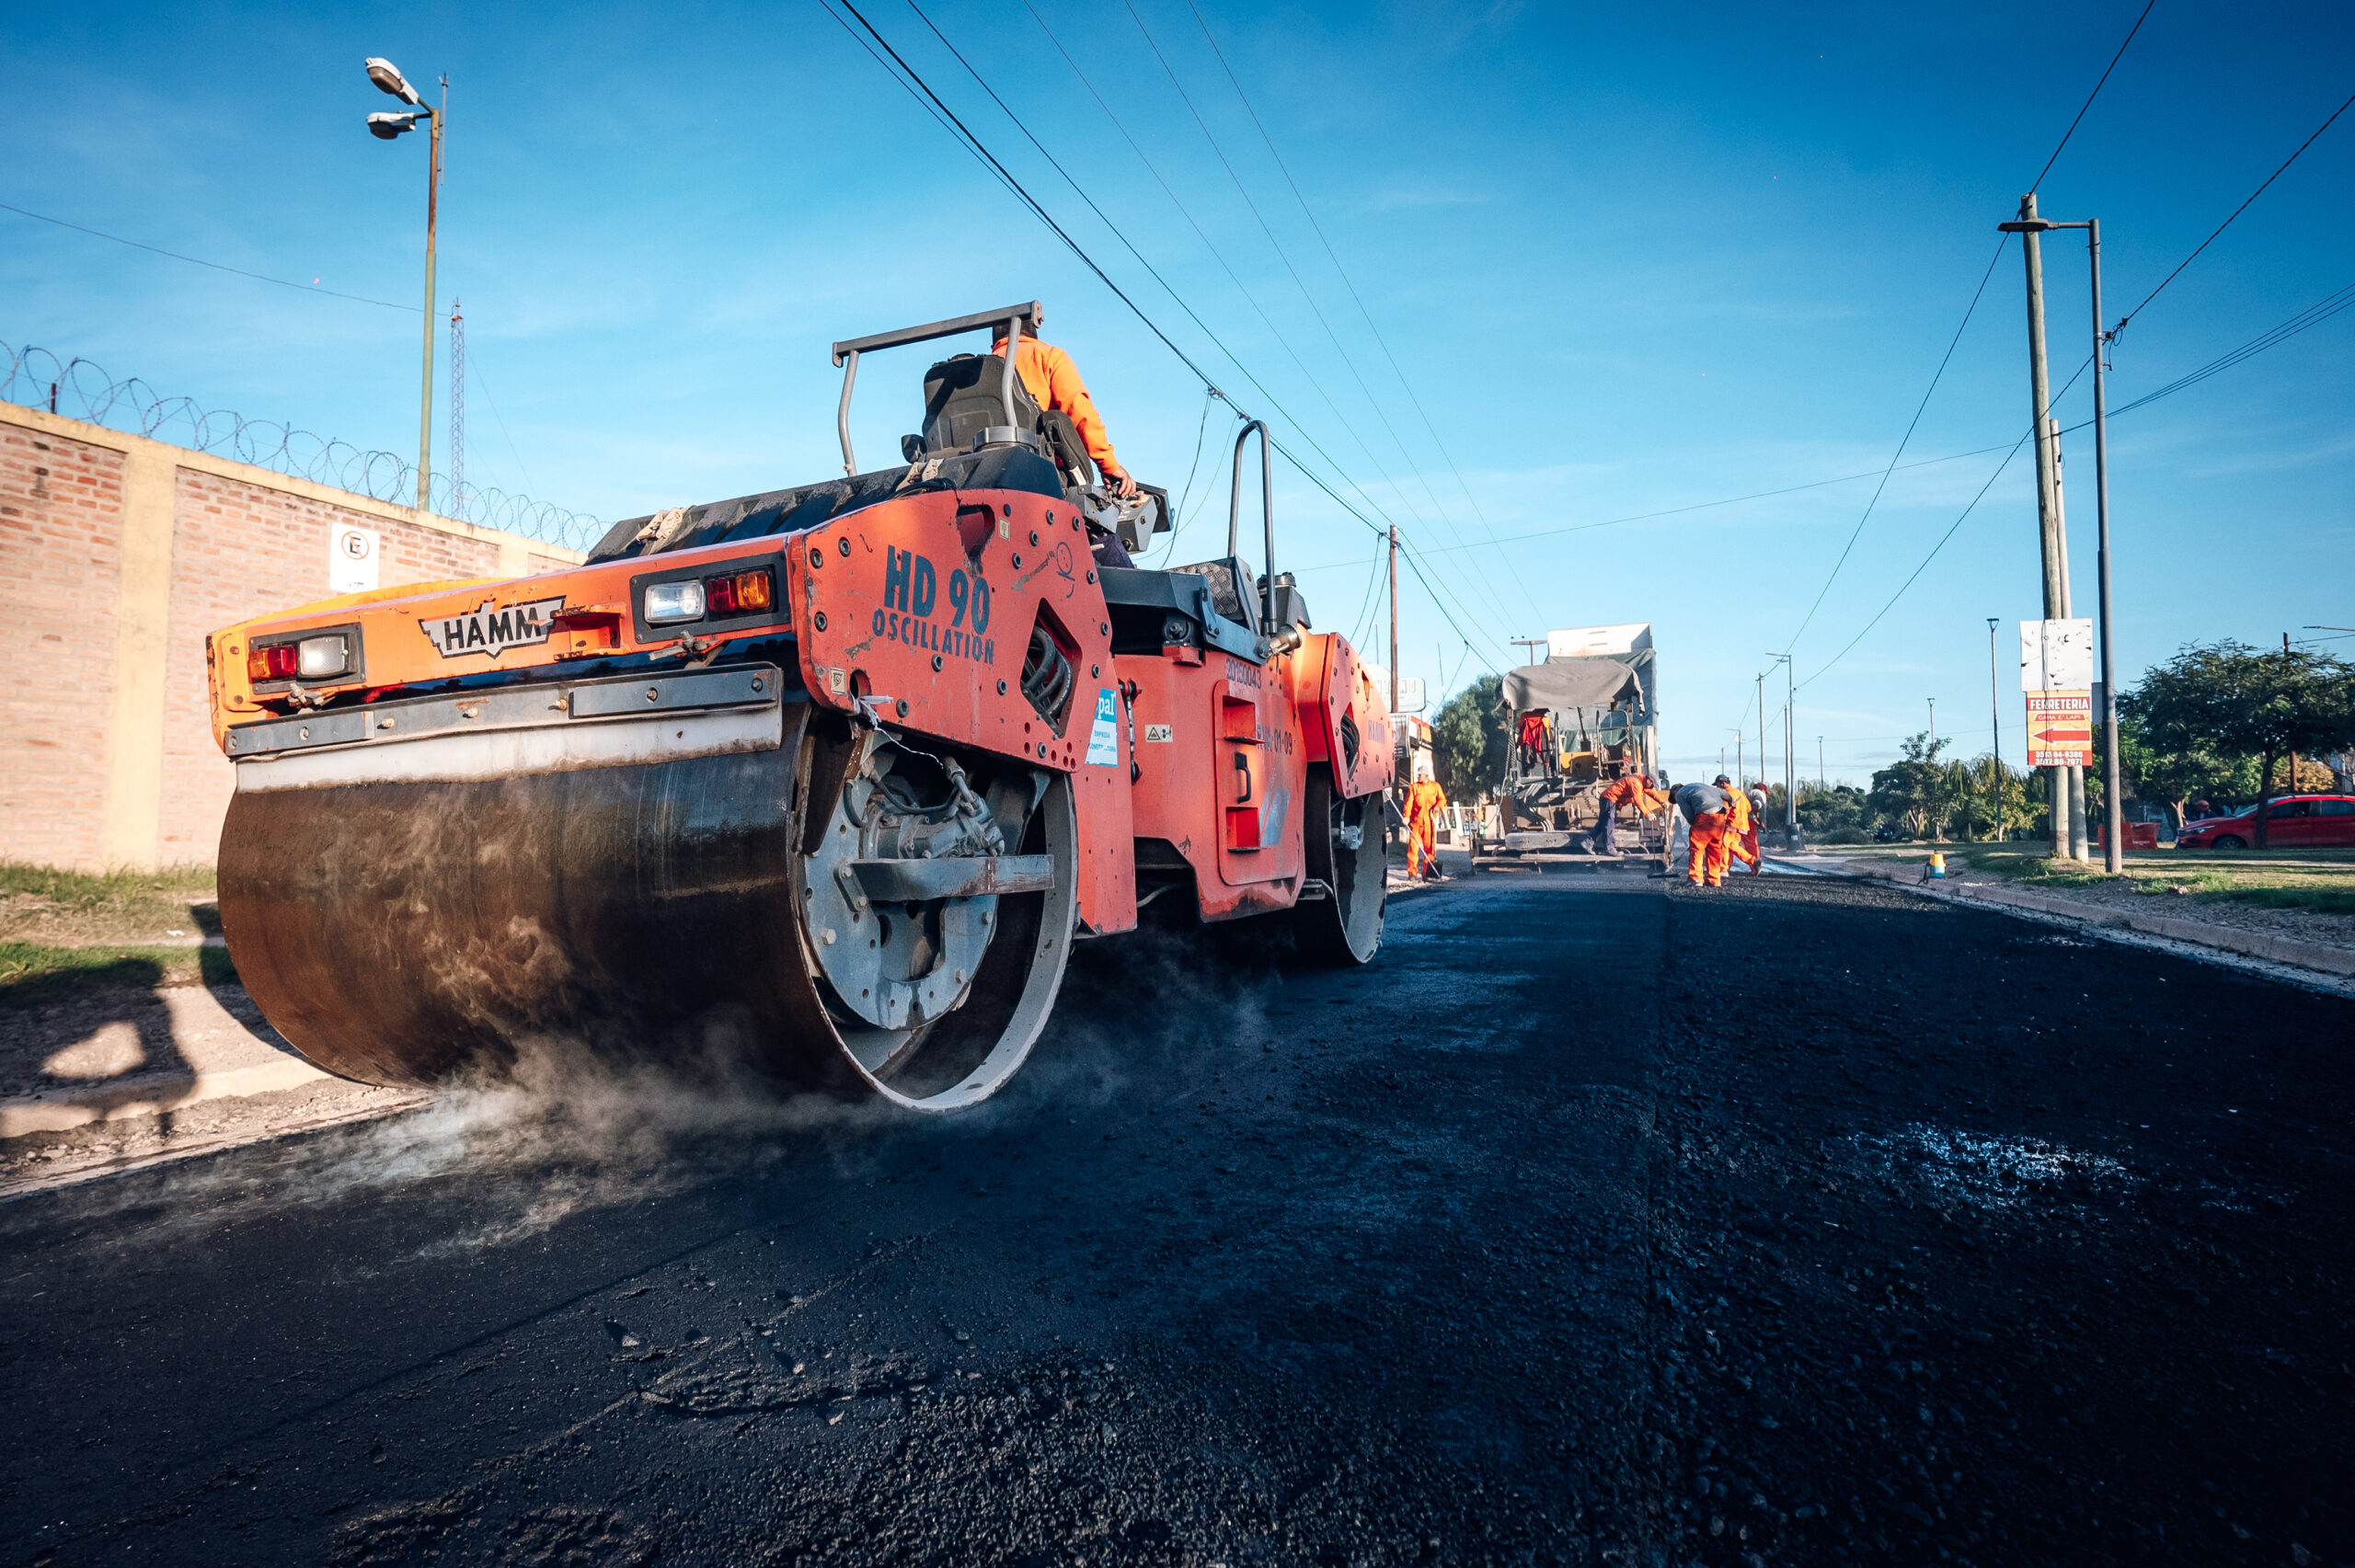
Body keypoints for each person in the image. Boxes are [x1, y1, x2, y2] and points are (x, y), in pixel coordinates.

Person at [989, 320, 1138, 499]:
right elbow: (1079, 409)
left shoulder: (978, 371)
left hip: (987, 474)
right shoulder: (1048, 356)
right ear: (1033, 335)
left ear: (994, 343)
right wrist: (1109, 465)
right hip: (1044, 475)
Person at [1671, 777, 1734, 887]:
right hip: (1720, 815)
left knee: (1697, 848)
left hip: (1704, 814)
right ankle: (1714, 879)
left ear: (1674, 793)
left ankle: (1695, 878)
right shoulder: (1702, 786)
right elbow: (1725, 794)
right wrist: (1731, 802)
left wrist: (1695, 828)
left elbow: (1688, 814)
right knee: (1714, 848)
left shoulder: (1679, 794)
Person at [1591, 769, 1666, 857]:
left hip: (1609, 799)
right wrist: (1648, 814)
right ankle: (1609, 849)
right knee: (1609, 824)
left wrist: (1662, 802)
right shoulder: (1637, 783)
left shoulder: (1642, 781)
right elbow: (1638, 801)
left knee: (1603, 823)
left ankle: (1587, 843)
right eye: (1652, 784)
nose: (1651, 787)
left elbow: (1652, 792)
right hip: (1609, 798)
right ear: (1649, 780)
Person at [1404, 766, 1449, 881]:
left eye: (1420, 774)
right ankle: (1412, 874)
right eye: (1418, 774)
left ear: (1426, 775)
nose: (1418, 776)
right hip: (1416, 822)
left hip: (1429, 823)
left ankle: (1427, 873)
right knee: (1413, 848)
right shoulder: (1414, 787)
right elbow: (1409, 803)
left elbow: (1442, 799)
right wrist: (1406, 817)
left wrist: (1438, 806)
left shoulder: (1435, 787)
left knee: (1429, 849)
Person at [1722, 775, 1762, 876]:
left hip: (1731, 824)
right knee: (1733, 846)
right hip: (1742, 824)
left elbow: (1724, 811)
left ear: (1723, 783)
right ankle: (1753, 862)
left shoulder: (1726, 794)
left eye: (1718, 785)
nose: (1717, 788)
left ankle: (1723, 868)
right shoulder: (1740, 793)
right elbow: (1748, 808)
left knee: (1724, 844)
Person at [1517, 710, 1551, 776]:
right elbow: (1548, 737)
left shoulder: (1524, 716)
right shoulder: (1545, 719)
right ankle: (1547, 771)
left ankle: (1526, 772)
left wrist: (1517, 744)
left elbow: (1520, 730)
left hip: (1527, 748)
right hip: (1541, 750)